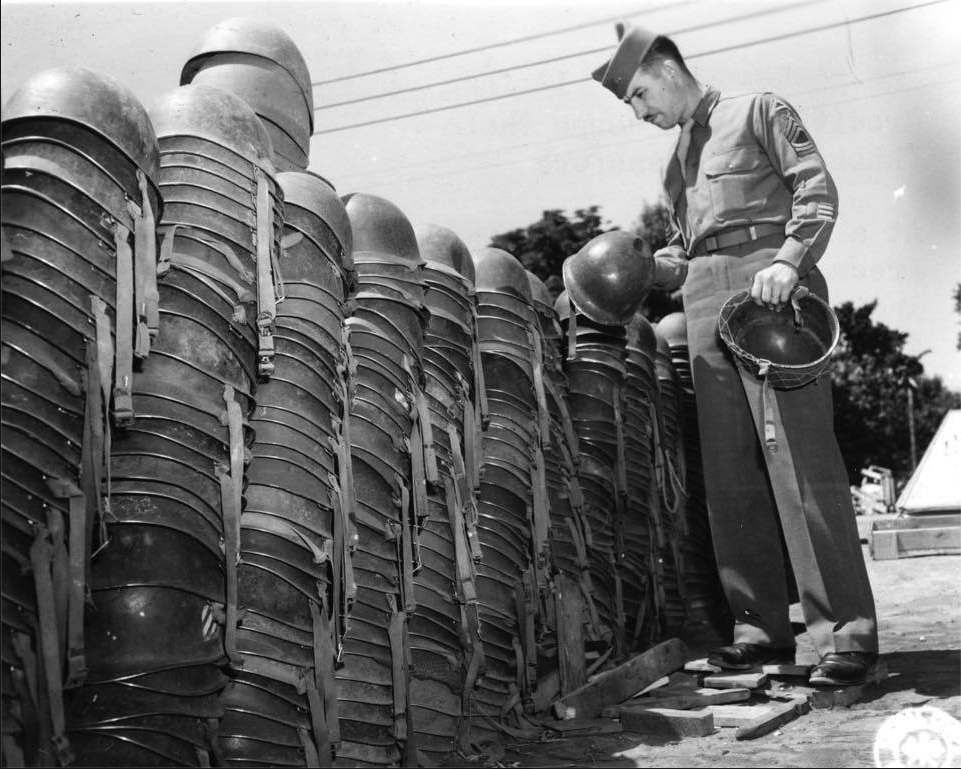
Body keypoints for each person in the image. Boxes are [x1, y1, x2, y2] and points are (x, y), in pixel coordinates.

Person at [591, 23, 878, 685]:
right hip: (700, 301)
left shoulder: (757, 111)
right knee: (727, 480)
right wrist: (640, 268)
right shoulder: (674, 162)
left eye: (637, 96)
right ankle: (760, 631)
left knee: (801, 468)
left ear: (664, 67)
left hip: (768, 291)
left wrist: (787, 259)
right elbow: (685, 248)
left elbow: (816, 193)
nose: (639, 114)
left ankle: (847, 638)